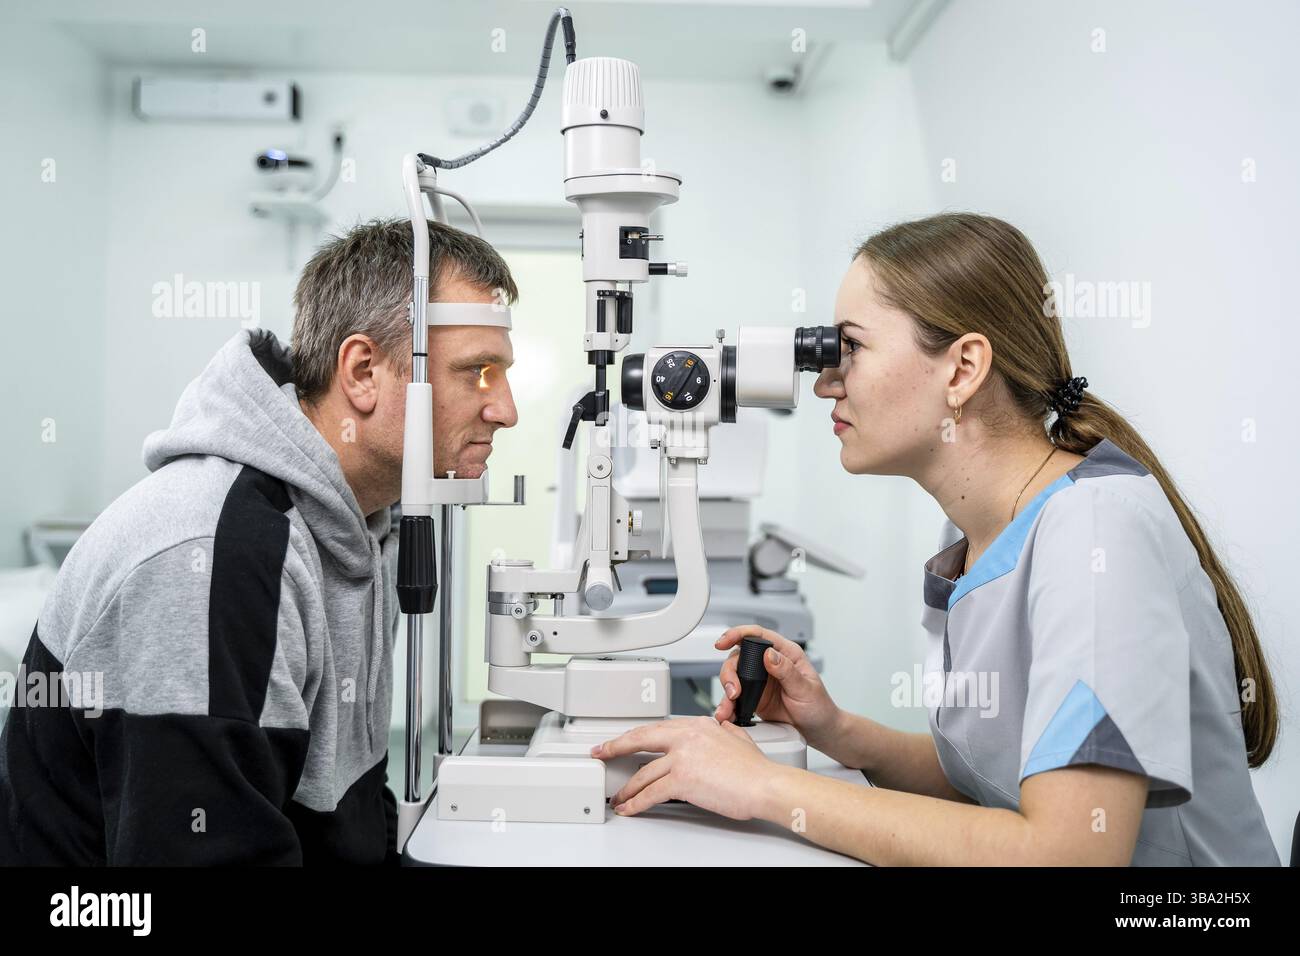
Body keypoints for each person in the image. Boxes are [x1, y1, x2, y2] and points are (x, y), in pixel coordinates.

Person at [591, 213, 1280, 866]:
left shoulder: (1096, 533)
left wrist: (765, 789)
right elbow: (999, 790)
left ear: (962, 369)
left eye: (850, 347)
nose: (827, 380)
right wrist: (835, 730)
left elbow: (1070, 852)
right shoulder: (983, 530)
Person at [0, 218, 519, 865]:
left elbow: (348, 809)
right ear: (363, 372)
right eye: (478, 373)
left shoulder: (361, 531)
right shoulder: (213, 557)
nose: (505, 408)